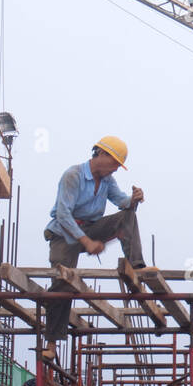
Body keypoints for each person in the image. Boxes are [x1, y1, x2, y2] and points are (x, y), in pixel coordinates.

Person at [42, 135, 155, 361]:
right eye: (113, 163)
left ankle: (136, 266)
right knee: (63, 282)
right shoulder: (73, 175)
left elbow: (121, 202)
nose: (114, 170)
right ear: (100, 154)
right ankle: (52, 343)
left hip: (91, 228)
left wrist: (133, 200)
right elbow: (64, 215)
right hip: (64, 234)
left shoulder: (106, 180)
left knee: (127, 217)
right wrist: (86, 242)